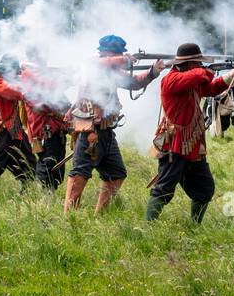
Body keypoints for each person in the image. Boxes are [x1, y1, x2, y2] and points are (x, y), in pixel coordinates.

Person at [146, 43, 234, 223]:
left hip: (192, 143)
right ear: (189, 64)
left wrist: (233, 72)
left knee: (205, 190)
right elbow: (201, 75)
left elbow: (212, 88)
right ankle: (148, 226)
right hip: (174, 143)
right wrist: (207, 69)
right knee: (164, 188)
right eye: (197, 62)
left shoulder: (193, 80)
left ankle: (195, 226)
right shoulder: (171, 80)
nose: (200, 65)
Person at [67, 35, 163, 213]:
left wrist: (153, 72)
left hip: (107, 130)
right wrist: (125, 59)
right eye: (118, 54)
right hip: (90, 131)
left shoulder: (111, 71)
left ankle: (99, 215)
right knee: (80, 174)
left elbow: (134, 83)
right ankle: (69, 218)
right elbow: (104, 63)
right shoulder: (92, 65)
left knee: (116, 174)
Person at [0, 55, 37, 180]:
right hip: (1, 130)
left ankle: (27, 190)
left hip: (14, 127)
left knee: (29, 162)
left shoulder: (6, 81)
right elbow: (13, 92)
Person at [21, 61, 70, 191]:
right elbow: (43, 102)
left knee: (55, 165)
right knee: (48, 163)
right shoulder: (30, 77)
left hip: (55, 129)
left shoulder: (38, 76)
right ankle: (42, 195)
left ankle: (49, 193)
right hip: (45, 130)